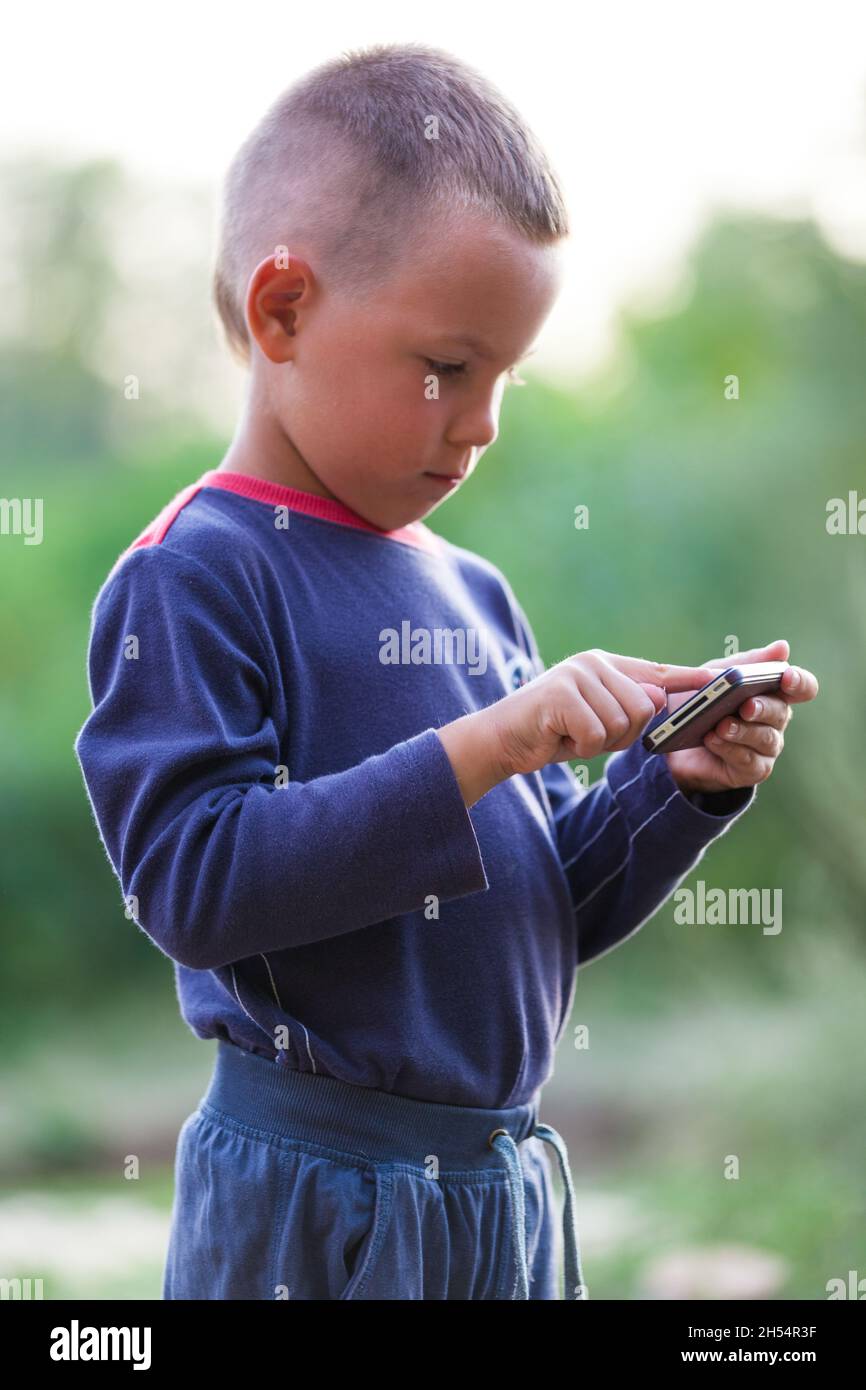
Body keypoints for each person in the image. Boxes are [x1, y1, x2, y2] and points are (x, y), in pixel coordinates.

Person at [73, 42, 819, 1301]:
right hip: (318, 1202)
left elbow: (544, 909)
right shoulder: (194, 575)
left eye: (505, 378)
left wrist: (672, 786)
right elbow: (191, 884)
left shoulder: (471, 593)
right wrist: (491, 744)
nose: (478, 422)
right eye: (447, 367)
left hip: (495, 1200)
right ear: (283, 311)